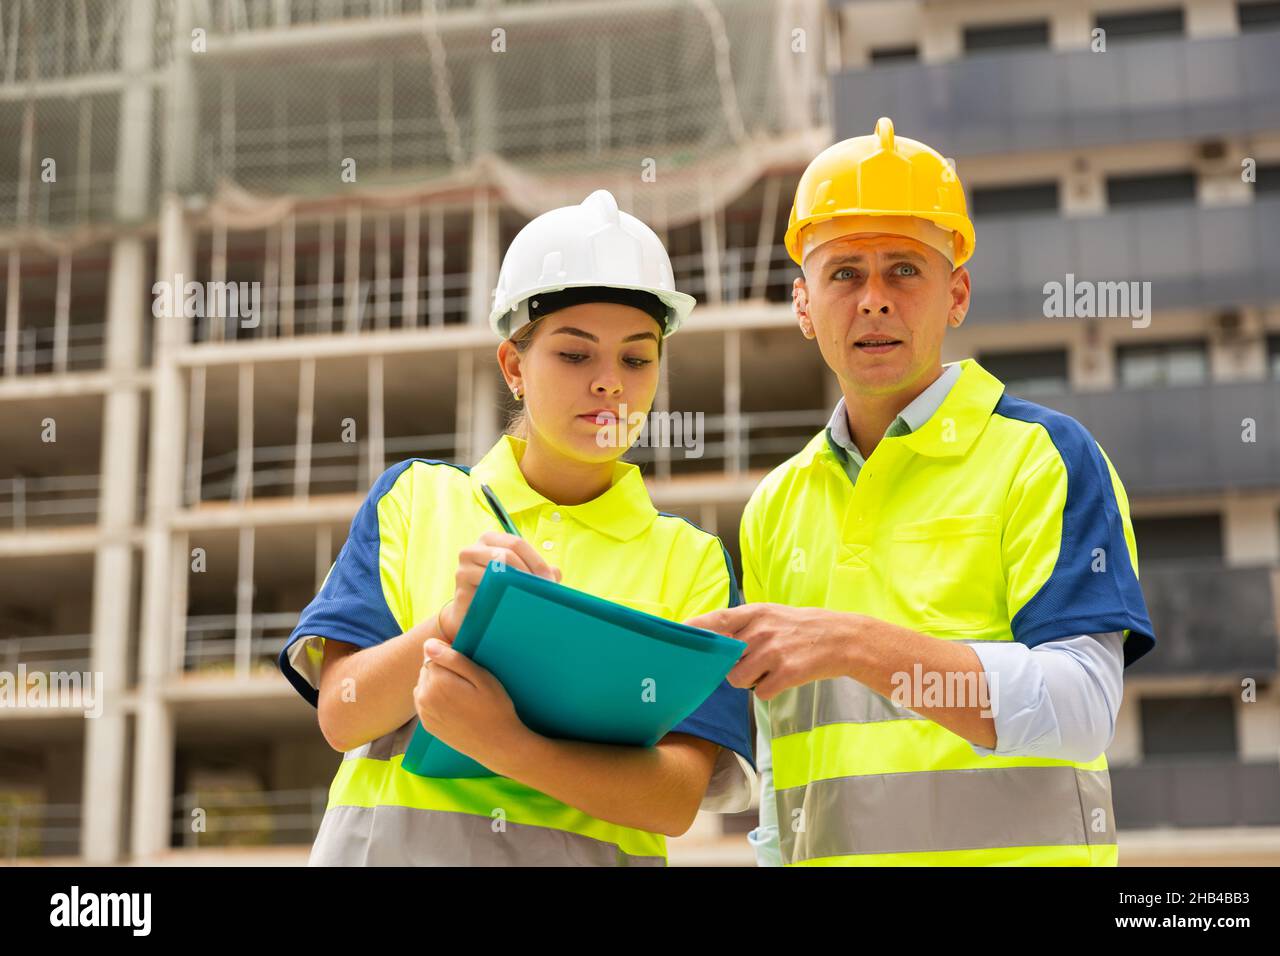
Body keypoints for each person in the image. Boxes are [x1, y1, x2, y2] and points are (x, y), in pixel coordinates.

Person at [687, 117, 1156, 866]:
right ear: (804, 306)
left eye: (904, 269)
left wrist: (851, 644)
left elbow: (1083, 709)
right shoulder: (777, 505)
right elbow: (782, 768)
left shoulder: (1043, 458)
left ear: (957, 294)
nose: (874, 299)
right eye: (843, 273)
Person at [279, 189, 756, 865]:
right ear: (514, 368)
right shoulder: (415, 500)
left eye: (636, 358)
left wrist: (508, 744)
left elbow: (675, 799)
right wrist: (450, 624)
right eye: (573, 354)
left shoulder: (692, 561)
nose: (609, 385)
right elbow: (342, 713)